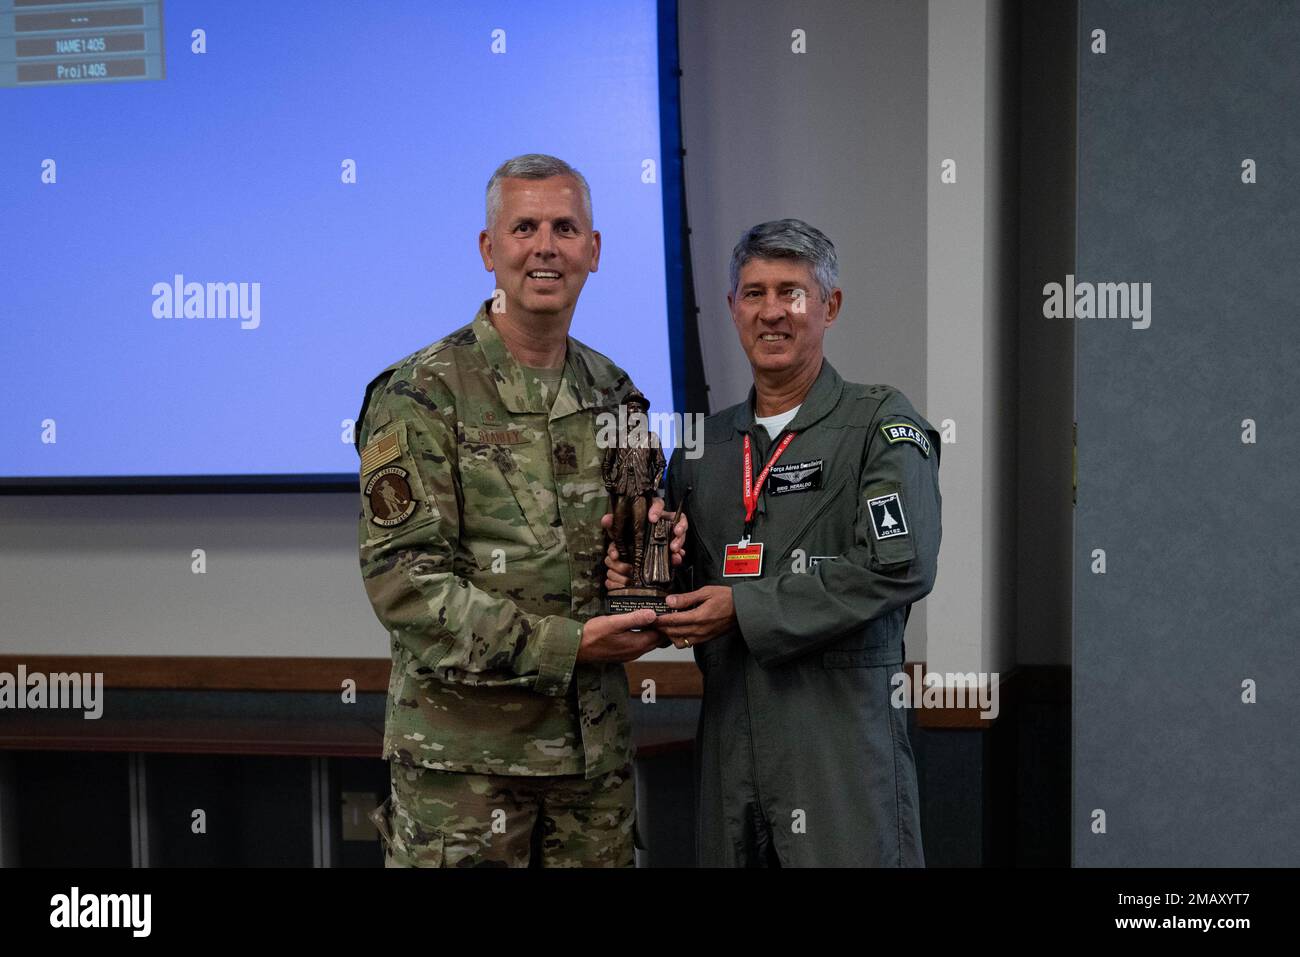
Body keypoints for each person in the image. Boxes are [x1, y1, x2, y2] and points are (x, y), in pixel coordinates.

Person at [357, 154, 684, 867]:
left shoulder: (618, 396)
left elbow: (637, 555)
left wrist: (661, 564)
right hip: (466, 772)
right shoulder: (420, 394)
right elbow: (407, 587)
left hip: (591, 765)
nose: (545, 246)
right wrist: (567, 646)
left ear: (592, 252)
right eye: (524, 226)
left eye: (565, 228)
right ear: (489, 249)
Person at [607, 219, 941, 866]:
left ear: (830, 306)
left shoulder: (880, 423)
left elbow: (899, 565)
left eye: (791, 292)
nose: (771, 312)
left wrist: (744, 607)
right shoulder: (703, 447)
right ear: (732, 308)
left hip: (838, 752)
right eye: (754, 293)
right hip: (728, 747)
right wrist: (644, 568)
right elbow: (675, 593)